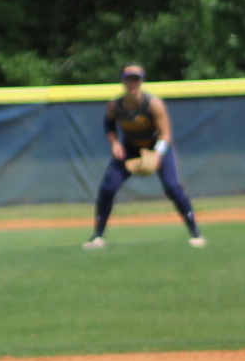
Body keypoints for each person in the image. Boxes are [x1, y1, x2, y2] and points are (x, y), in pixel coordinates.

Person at [84, 64, 206, 250]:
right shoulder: (115, 105)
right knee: (108, 188)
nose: (132, 82)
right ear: (123, 81)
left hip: (158, 147)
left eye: (136, 79)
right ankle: (97, 236)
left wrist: (157, 155)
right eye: (129, 78)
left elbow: (166, 135)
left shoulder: (152, 103)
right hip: (131, 148)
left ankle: (195, 232)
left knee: (173, 188)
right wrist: (115, 143)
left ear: (141, 81)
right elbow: (109, 124)